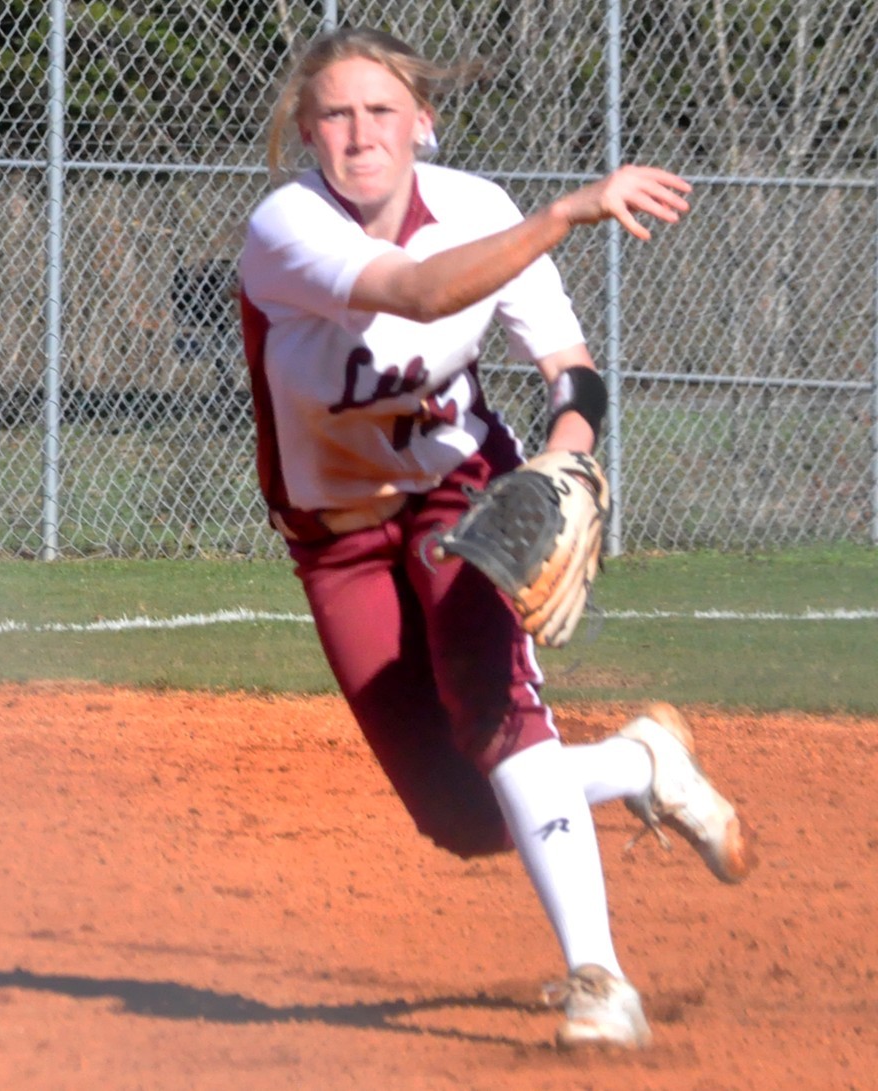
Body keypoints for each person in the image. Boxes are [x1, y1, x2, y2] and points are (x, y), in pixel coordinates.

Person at [237, 26, 756, 1050]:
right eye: (335, 114)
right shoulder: (286, 224)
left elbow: (572, 373)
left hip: (454, 498)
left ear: (420, 122)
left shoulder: (478, 209)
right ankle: (641, 764)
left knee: (496, 715)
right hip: (334, 536)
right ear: (307, 132)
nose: (359, 134)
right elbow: (418, 292)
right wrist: (569, 209)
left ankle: (600, 979)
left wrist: (566, 458)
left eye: (381, 111)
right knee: (464, 817)